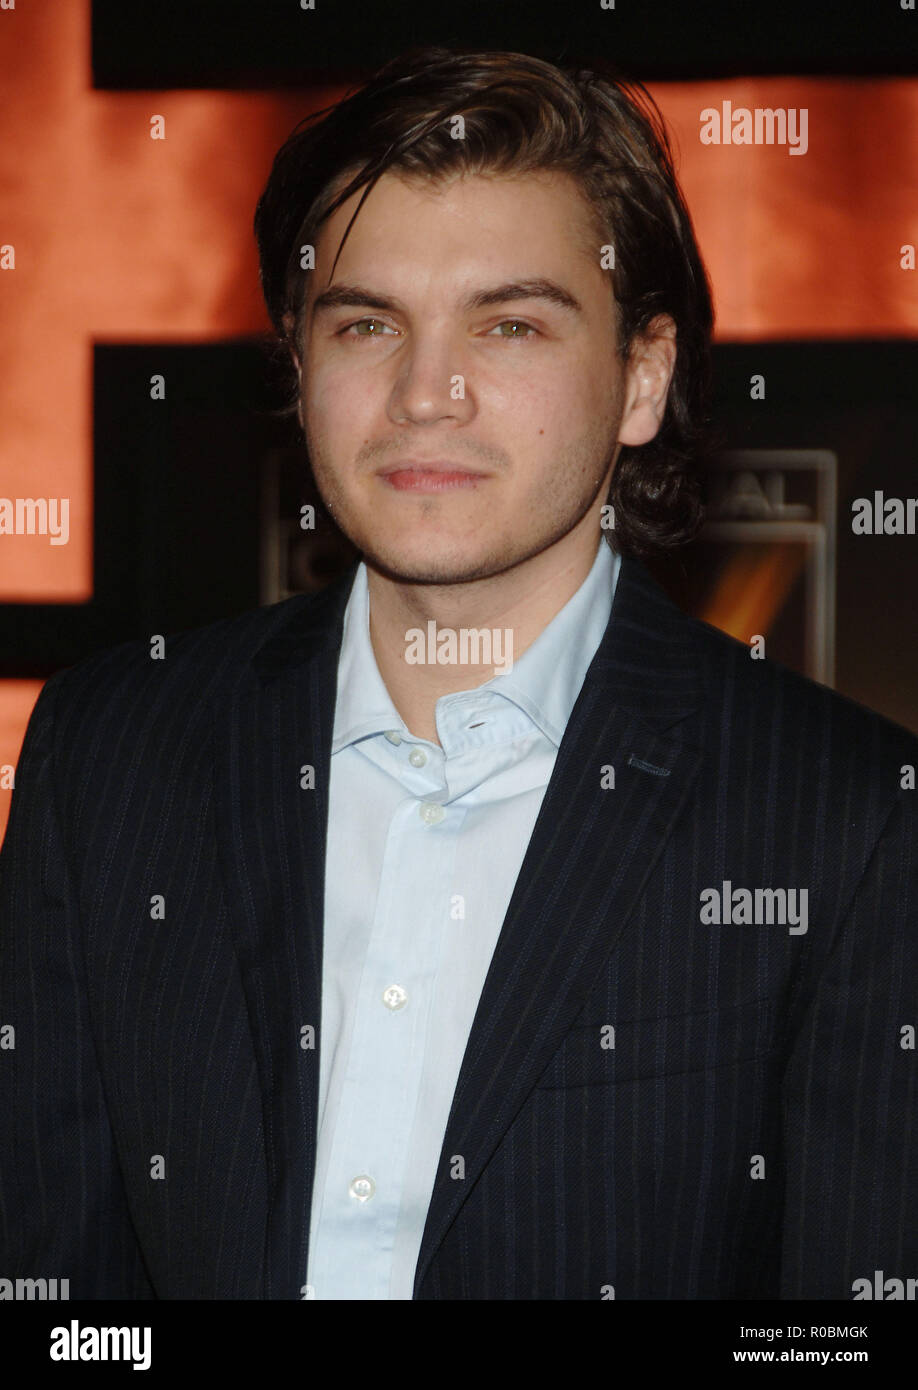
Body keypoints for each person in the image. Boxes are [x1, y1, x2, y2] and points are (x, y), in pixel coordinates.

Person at [1, 45, 916, 1302]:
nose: (427, 394)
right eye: (368, 323)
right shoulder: (107, 755)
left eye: (511, 324)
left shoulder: (845, 820)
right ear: (300, 364)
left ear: (641, 378)